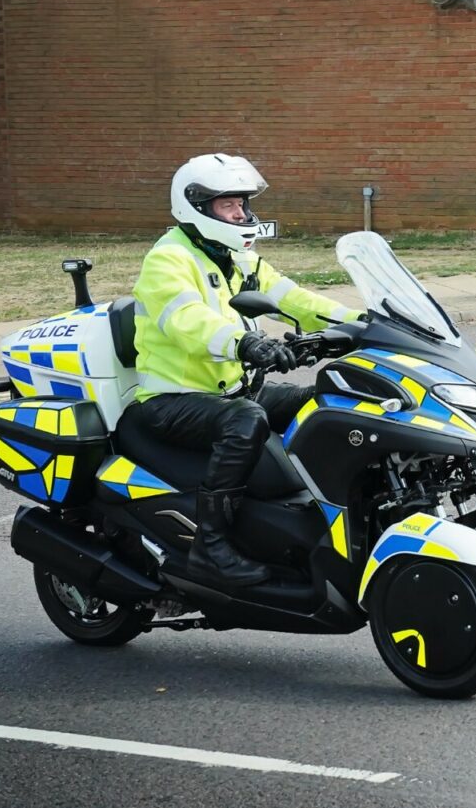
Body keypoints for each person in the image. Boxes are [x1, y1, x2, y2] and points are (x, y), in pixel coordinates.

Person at [128, 154, 361, 587]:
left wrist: (363, 323)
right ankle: (210, 547)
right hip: (172, 399)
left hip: (230, 390)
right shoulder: (168, 261)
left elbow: (296, 299)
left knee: (325, 398)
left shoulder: (238, 258)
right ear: (196, 207)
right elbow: (189, 321)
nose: (241, 214)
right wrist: (247, 342)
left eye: (242, 205)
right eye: (229, 206)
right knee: (246, 420)